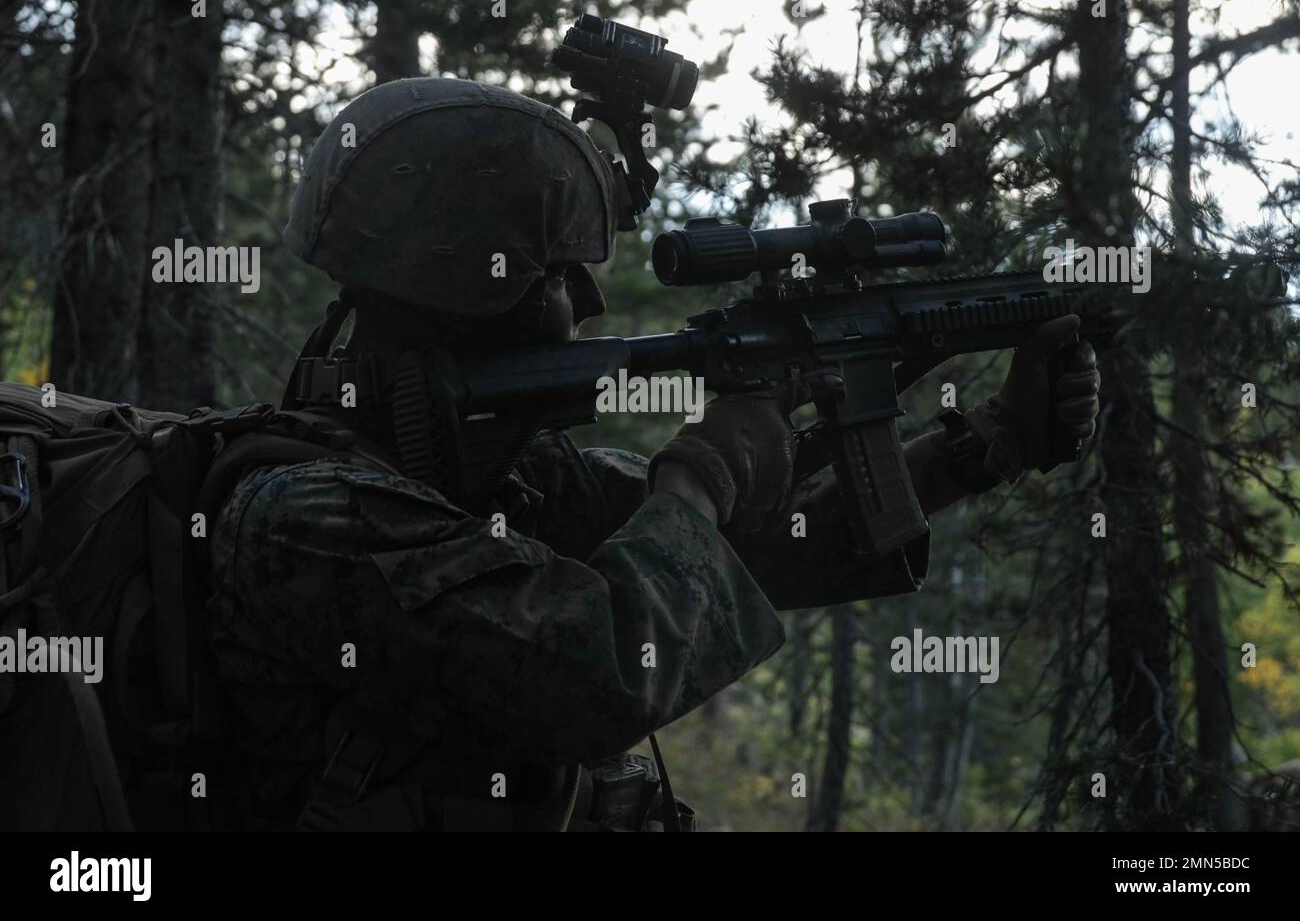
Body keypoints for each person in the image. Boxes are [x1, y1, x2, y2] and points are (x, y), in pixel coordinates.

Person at [203, 77, 1101, 831]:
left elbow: (751, 557)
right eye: (552, 276)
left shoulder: (502, 478)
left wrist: (987, 444)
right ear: (453, 291)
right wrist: (703, 475)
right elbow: (601, 674)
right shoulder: (311, 520)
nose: (589, 300)